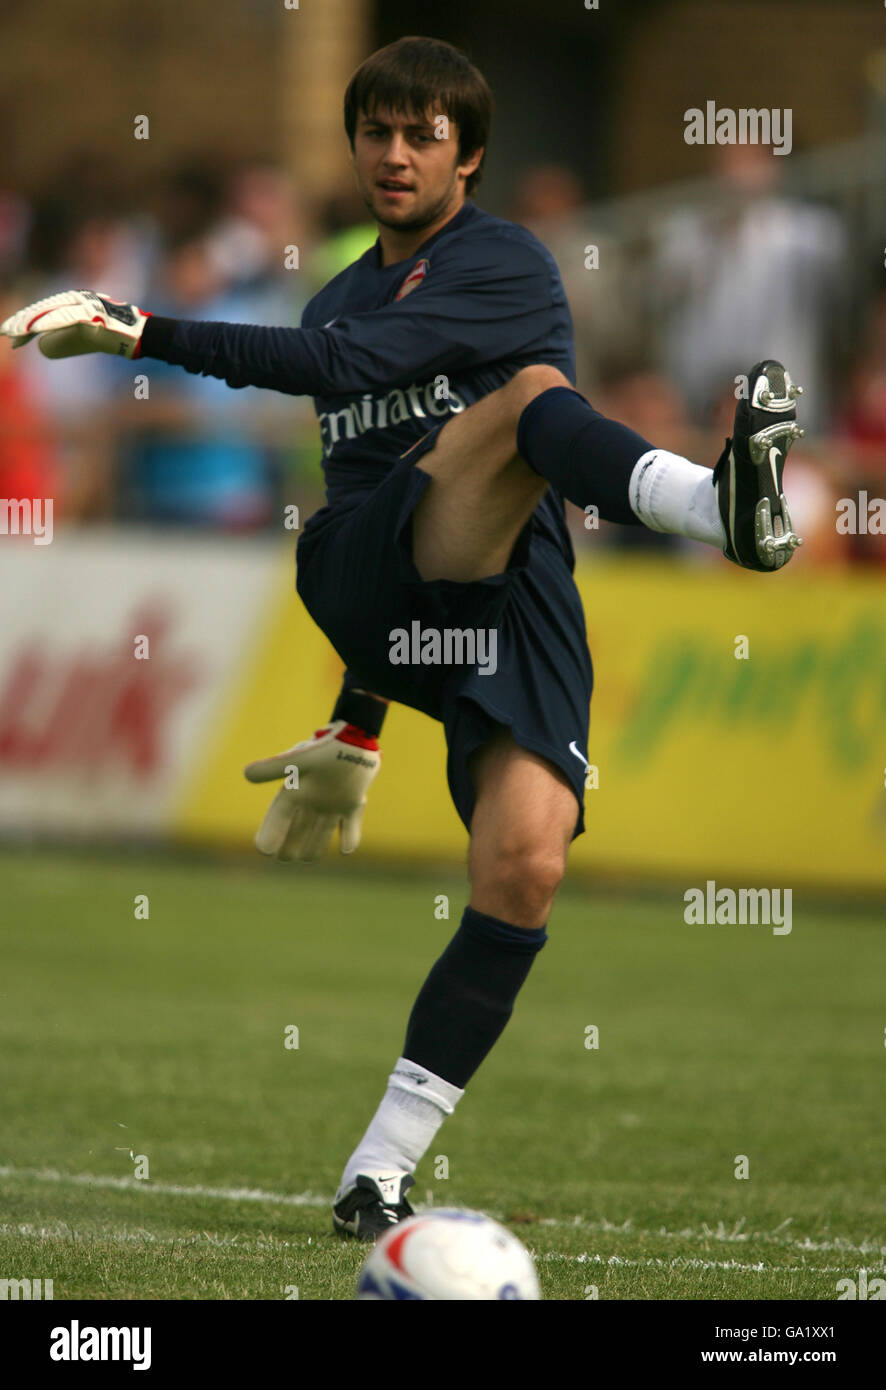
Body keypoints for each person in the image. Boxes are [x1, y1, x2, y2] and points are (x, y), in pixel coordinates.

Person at [0, 35, 804, 1241]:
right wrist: (361, 695)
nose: (393, 154)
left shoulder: (506, 264)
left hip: (511, 587)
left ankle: (377, 1170)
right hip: (365, 561)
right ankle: (714, 510)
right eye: (376, 130)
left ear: (467, 157)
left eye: (422, 135)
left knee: (525, 868)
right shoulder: (338, 294)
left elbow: (344, 368)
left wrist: (135, 326)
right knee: (531, 401)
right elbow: (365, 443)